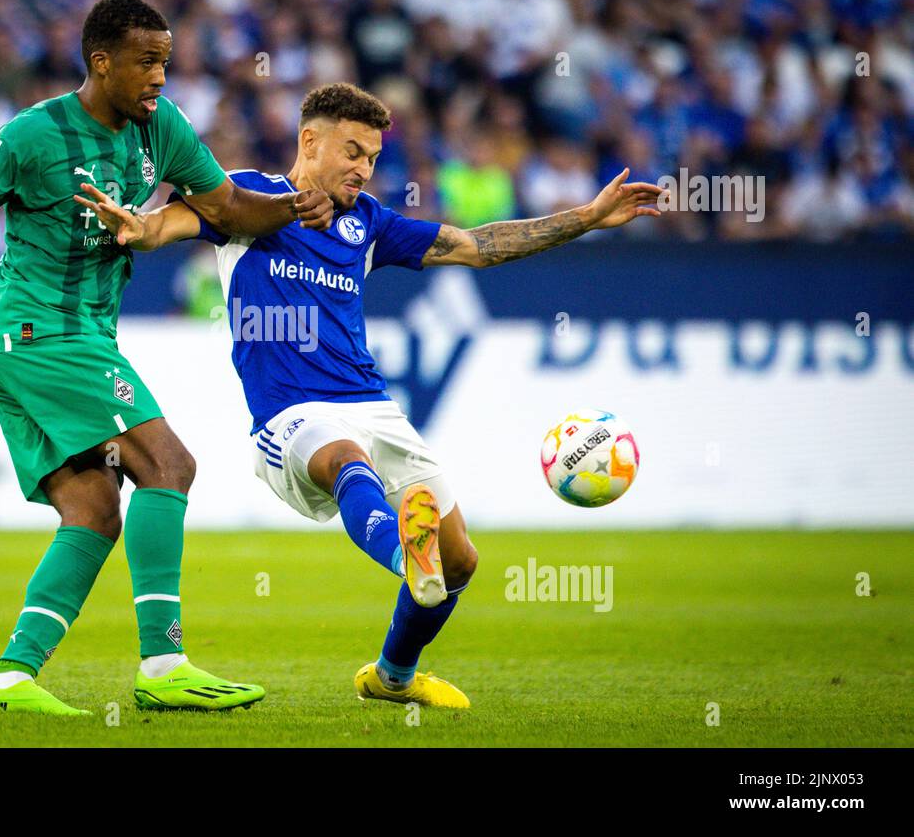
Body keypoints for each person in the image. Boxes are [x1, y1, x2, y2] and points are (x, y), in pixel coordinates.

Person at [74, 82, 661, 708]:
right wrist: (140, 226)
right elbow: (176, 221)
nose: (364, 168)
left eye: (374, 158)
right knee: (347, 461)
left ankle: (392, 677)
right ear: (309, 141)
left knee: (460, 561)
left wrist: (589, 218)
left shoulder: (368, 224)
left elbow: (477, 247)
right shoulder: (250, 197)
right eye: (352, 151)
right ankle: (404, 552)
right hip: (290, 415)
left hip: (374, 406)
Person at [0, 0, 333, 714]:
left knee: (95, 510)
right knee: (169, 464)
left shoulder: (160, 129)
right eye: (146, 61)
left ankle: (11, 679)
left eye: (165, 62)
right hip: (38, 333)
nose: (160, 77)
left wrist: (298, 204)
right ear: (100, 62)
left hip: (80, 339)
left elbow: (228, 207)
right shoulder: (31, 135)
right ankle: (164, 664)